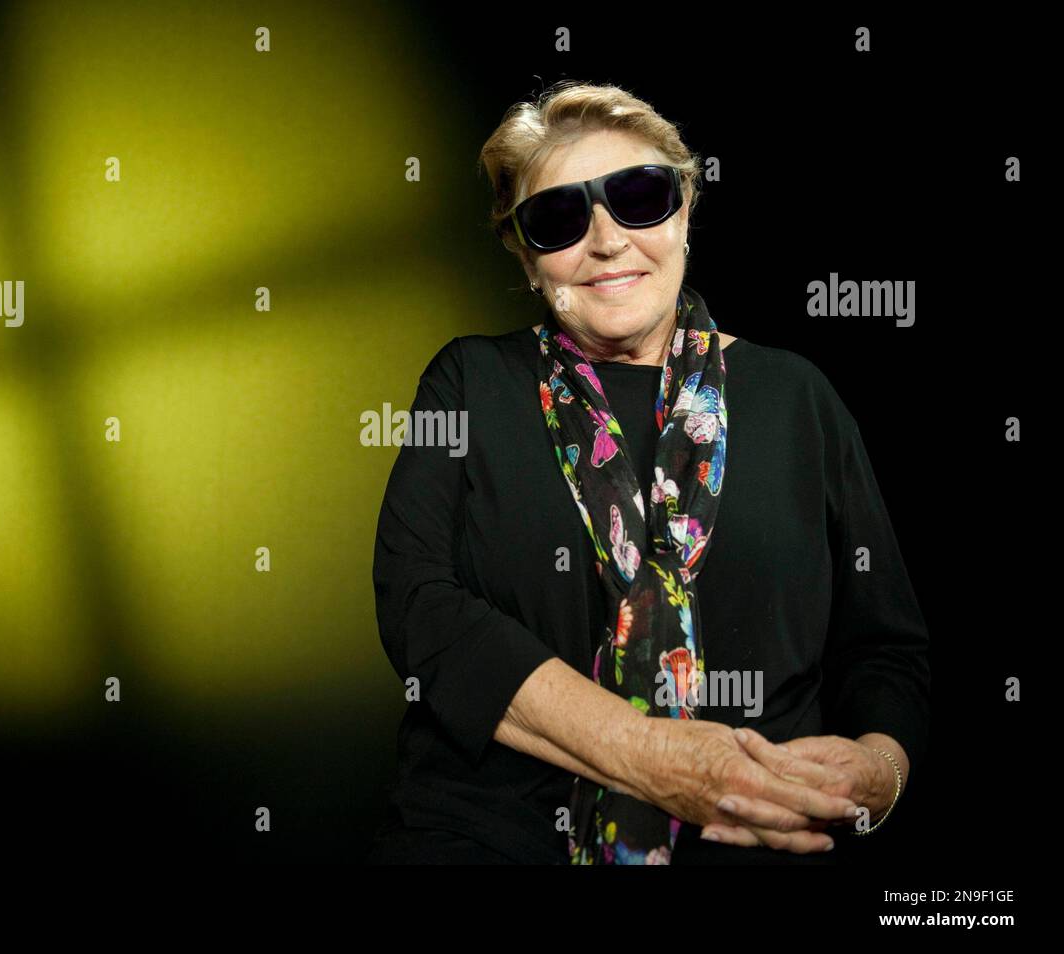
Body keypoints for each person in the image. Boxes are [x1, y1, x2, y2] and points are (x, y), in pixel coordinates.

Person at [366, 81, 929, 864]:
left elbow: (885, 646)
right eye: (558, 217)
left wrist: (880, 770)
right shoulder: (470, 384)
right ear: (526, 258)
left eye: (639, 197)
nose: (606, 240)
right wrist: (647, 757)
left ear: (686, 213)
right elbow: (418, 607)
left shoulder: (799, 396)